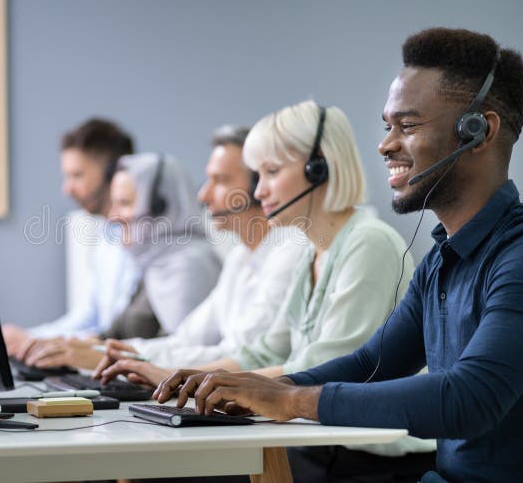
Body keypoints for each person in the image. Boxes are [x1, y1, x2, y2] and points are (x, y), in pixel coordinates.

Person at [156, 29, 523, 482]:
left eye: (408, 126)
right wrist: (264, 387)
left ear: (479, 131)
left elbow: (469, 399)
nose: (385, 144)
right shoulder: (441, 261)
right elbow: (370, 365)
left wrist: (292, 401)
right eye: (387, 126)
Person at [102, 100, 435, 478]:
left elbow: (329, 366)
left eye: (271, 172)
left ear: (319, 169)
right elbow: (267, 350)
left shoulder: (367, 243)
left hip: (371, 458)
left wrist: (227, 386)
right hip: (318, 442)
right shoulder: (311, 249)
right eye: (257, 175)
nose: (258, 191)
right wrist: (188, 377)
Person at [89, 125, 305, 384]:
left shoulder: (287, 255)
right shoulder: (239, 258)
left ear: (258, 187)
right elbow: (187, 338)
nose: (204, 195)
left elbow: (242, 355)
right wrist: (126, 354)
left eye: (221, 181)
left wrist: (139, 361)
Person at [20, 152, 223, 370]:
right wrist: (66, 345)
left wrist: (100, 354)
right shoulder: (155, 262)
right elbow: (113, 333)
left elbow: (184, 356)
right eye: (114, 203)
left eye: (124, 203)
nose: (113, 216)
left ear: (160, 206)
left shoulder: (190, 265)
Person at [1, 118, 138, 358]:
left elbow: (118, 333)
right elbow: (88, 317)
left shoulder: (143, 242)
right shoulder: (106, 237)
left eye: (77, 175)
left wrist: (33, 341)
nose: (67, 189)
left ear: (113, 174)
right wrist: (29, 337)